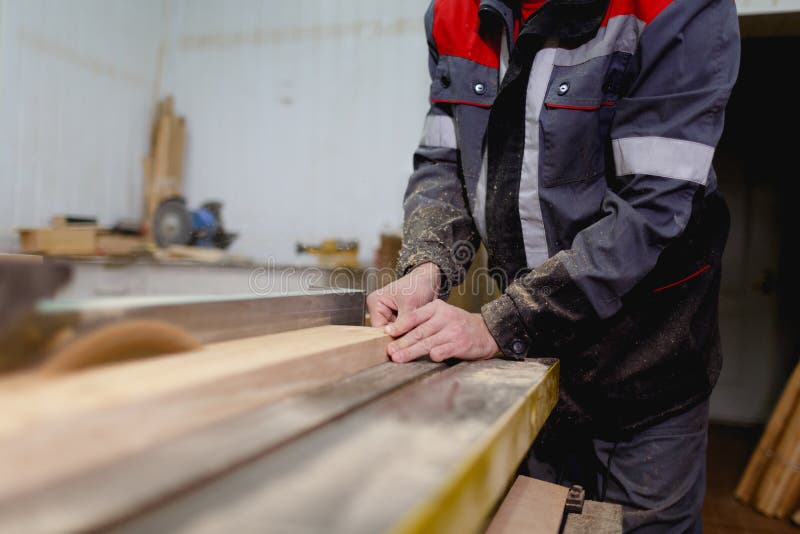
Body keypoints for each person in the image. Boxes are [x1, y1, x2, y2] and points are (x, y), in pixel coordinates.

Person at [366, 0, 740, 531]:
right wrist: (427, 265)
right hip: (533, 363)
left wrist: (502, 323)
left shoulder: (675, 7)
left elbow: (653, 208)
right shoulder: (453, 13)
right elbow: (443, 161)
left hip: (646, 362)